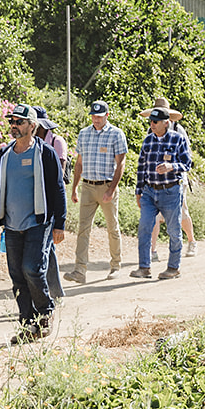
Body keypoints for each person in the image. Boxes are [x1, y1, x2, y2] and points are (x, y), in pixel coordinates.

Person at [0, 105, 69, 344]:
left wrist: (60, 223)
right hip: (12, 225)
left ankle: (45, 312)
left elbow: (57, 188)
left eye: (19, 122)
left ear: (32, 126)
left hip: (39, 222)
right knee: (16, 274)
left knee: (32, 268)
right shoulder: (4, 155)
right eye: (12, 121)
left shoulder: (45, 153)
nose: (14, 125)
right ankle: (27, 323)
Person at [67, 100, 128, 283]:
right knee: (83, 229)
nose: (96, 120)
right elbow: (79, 163)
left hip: (106, 186)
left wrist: (111, 190)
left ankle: (116, 266)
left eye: (100, 117)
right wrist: (75, 188)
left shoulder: (116, 134)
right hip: (87, 186)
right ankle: (79, 270)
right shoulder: (84, 134)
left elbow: (121, 164)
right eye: (94, 116)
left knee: (112, 227)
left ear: (107, 116)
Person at [132, 104, 192, 281]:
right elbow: (141, 167)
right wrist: (138, 191)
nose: (152, 124)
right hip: (150, 192)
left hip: (171, 191)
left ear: (166, 123)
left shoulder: (177, 139)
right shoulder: (148, 141)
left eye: (156, 121)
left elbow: (187, 164)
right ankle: (144, 267)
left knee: (173, 230)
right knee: (144, 227)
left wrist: (171, 166)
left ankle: (173, 267)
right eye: (151, 121)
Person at [141, 97, 198, 259]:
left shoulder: (179, 131)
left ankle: (192, 241)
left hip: (177, 179)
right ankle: (153, 251)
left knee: (181, 213)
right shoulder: (150, 131)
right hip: (156, 180)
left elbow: (187, 159)